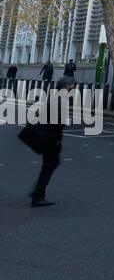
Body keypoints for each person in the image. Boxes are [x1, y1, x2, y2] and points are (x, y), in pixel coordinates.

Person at [21, 76, 75, 207]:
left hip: (47, 137)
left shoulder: (54, 98)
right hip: (51, 139)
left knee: (49, 165)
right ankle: (38, 195)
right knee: (49, 166)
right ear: (65, 87)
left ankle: (38, 194)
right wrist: (57, 137)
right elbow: (56, 123)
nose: (73, 89)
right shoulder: (61, 100)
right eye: (71, 86)